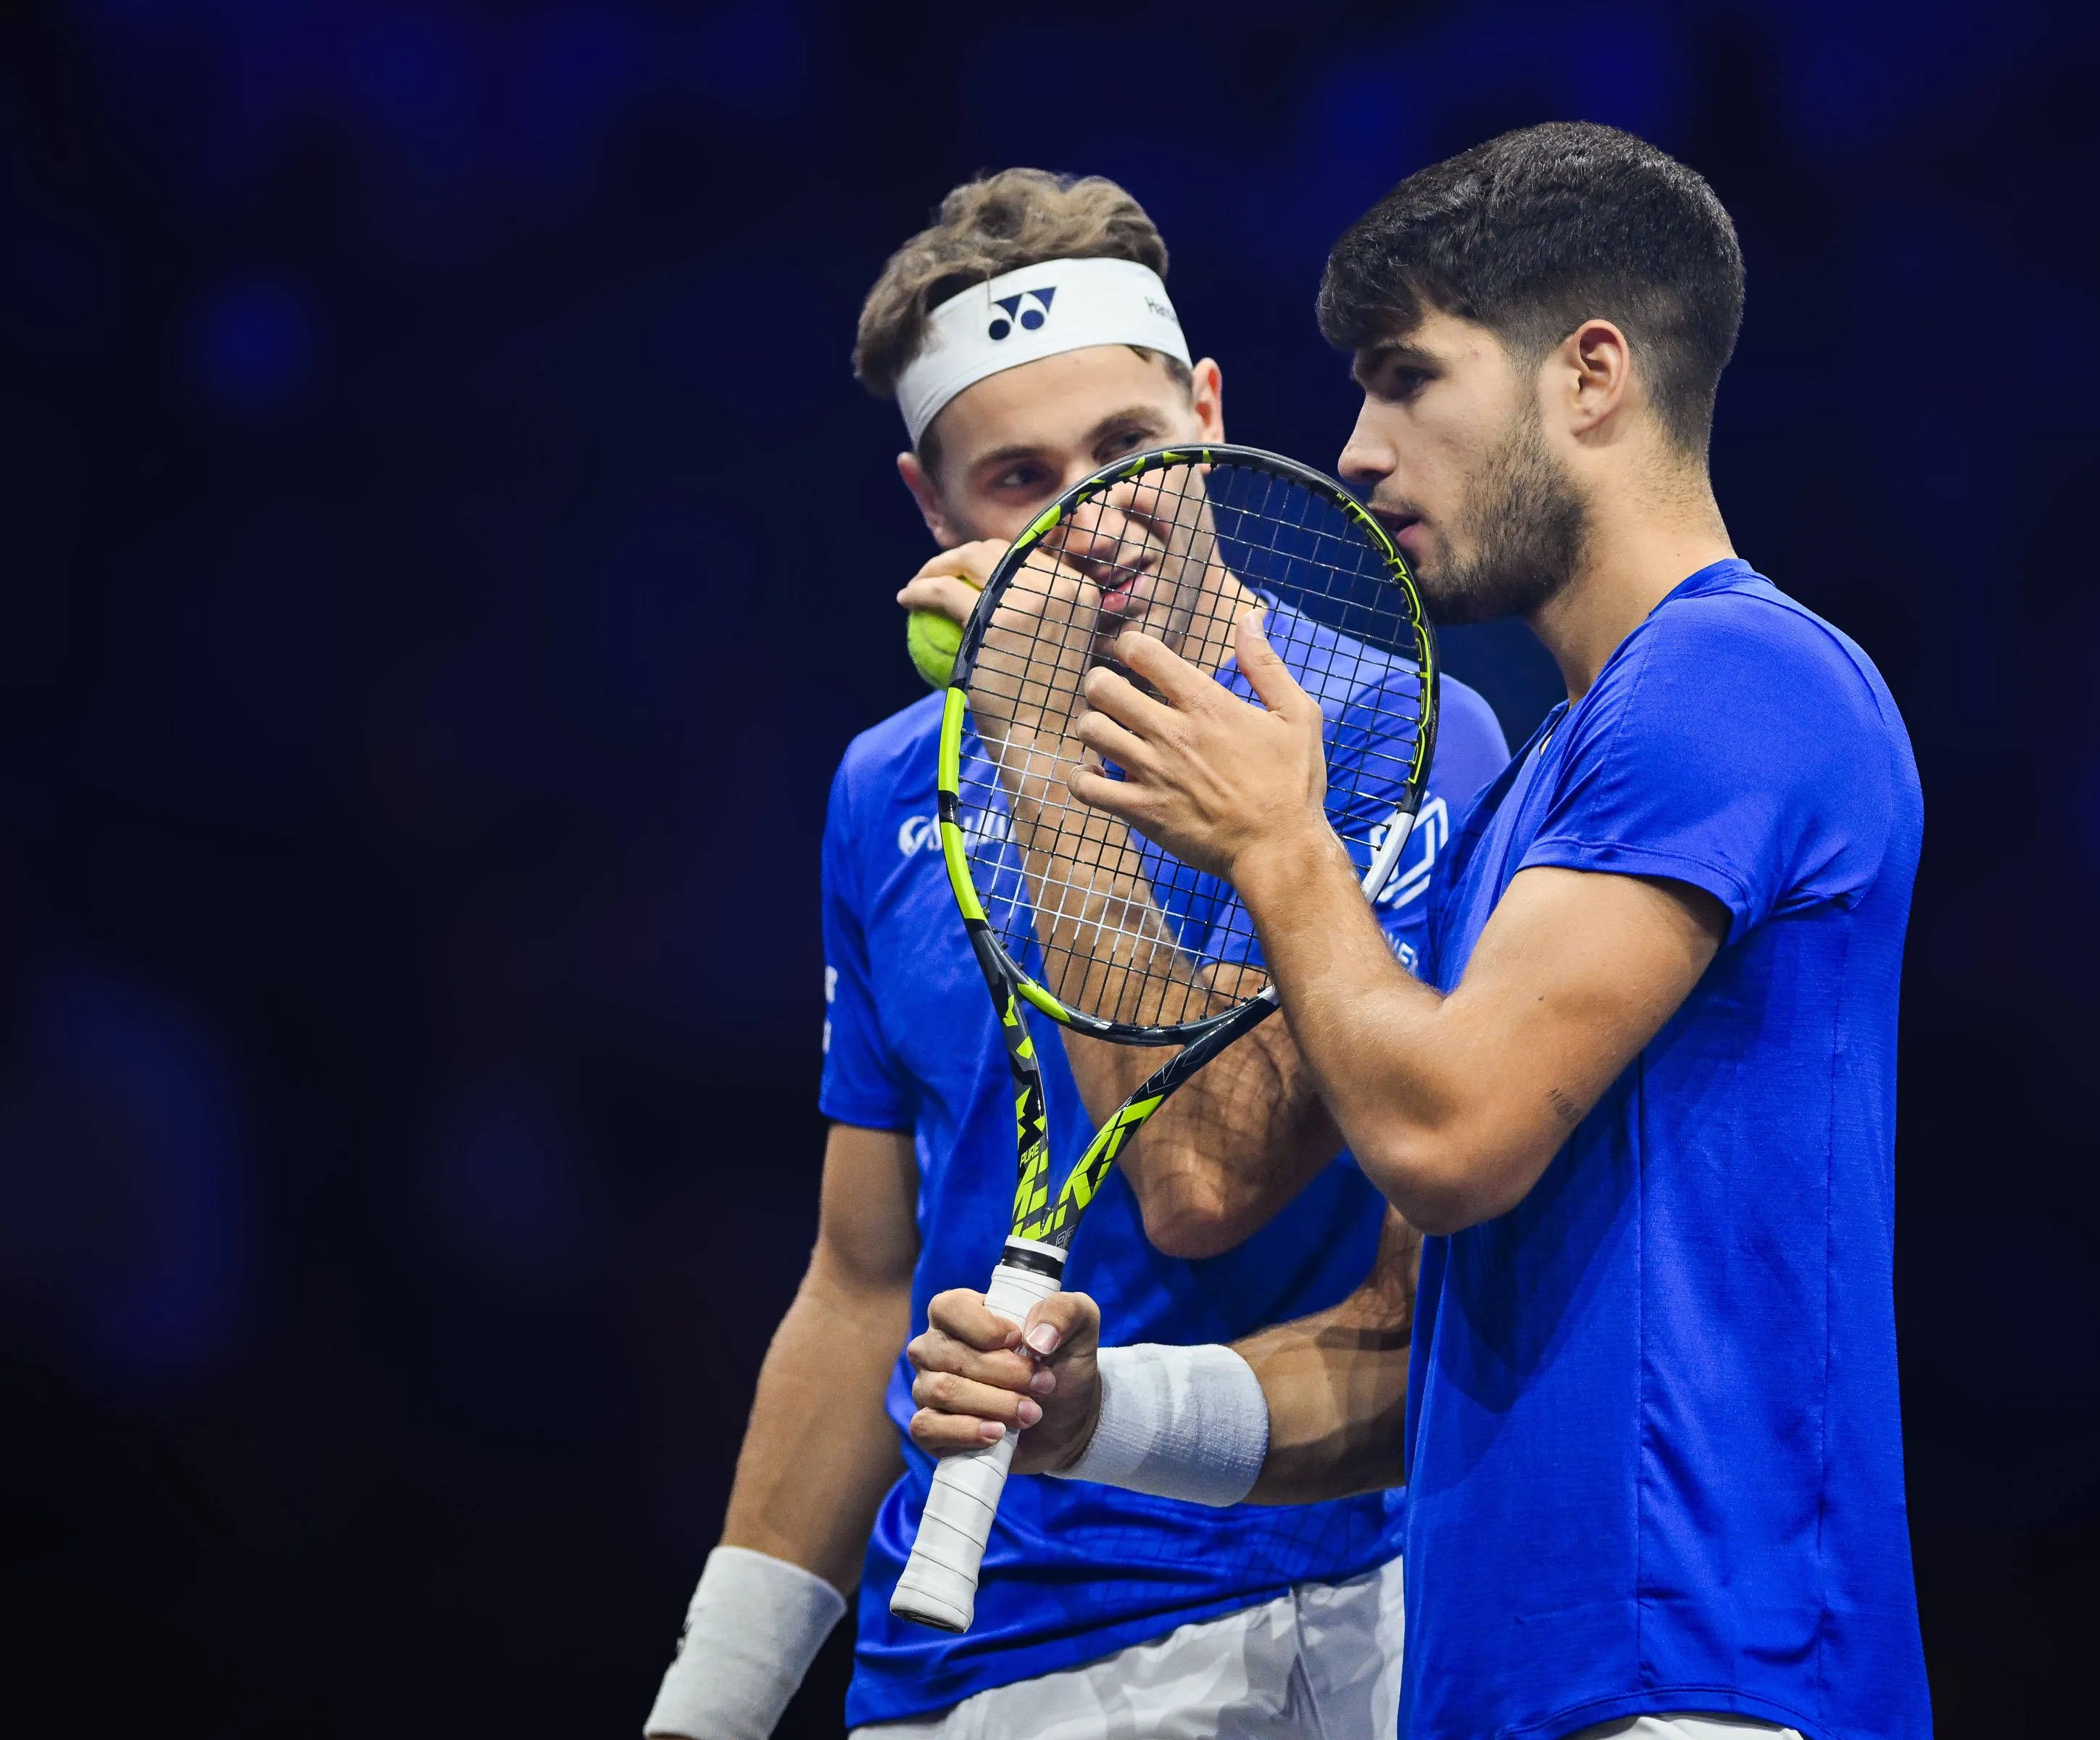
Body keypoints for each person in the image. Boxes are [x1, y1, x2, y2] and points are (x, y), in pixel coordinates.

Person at [904, 124, 1936, 1740]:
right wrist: (1096, 1413)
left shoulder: (1742, 681)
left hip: (1700, 1689)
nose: (1363, 455)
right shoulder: (1543, 788)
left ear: (1589, 376)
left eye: (1408, 380)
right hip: (1513, 1694)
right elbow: (1398, 1366)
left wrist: (1274, 838)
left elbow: (1447, 1135)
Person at [642, 168, 1511, 1740]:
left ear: (1211, 407)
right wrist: (709, 1705)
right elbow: (863, 1282)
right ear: (929, 509)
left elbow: (1201, 1188)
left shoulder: (1400, 734)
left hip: (1285, 1630)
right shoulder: (884, 788)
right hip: (944, 1667)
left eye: (1130, 447)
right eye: (1018, 478)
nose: (1093, 515)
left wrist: (1040, 741)